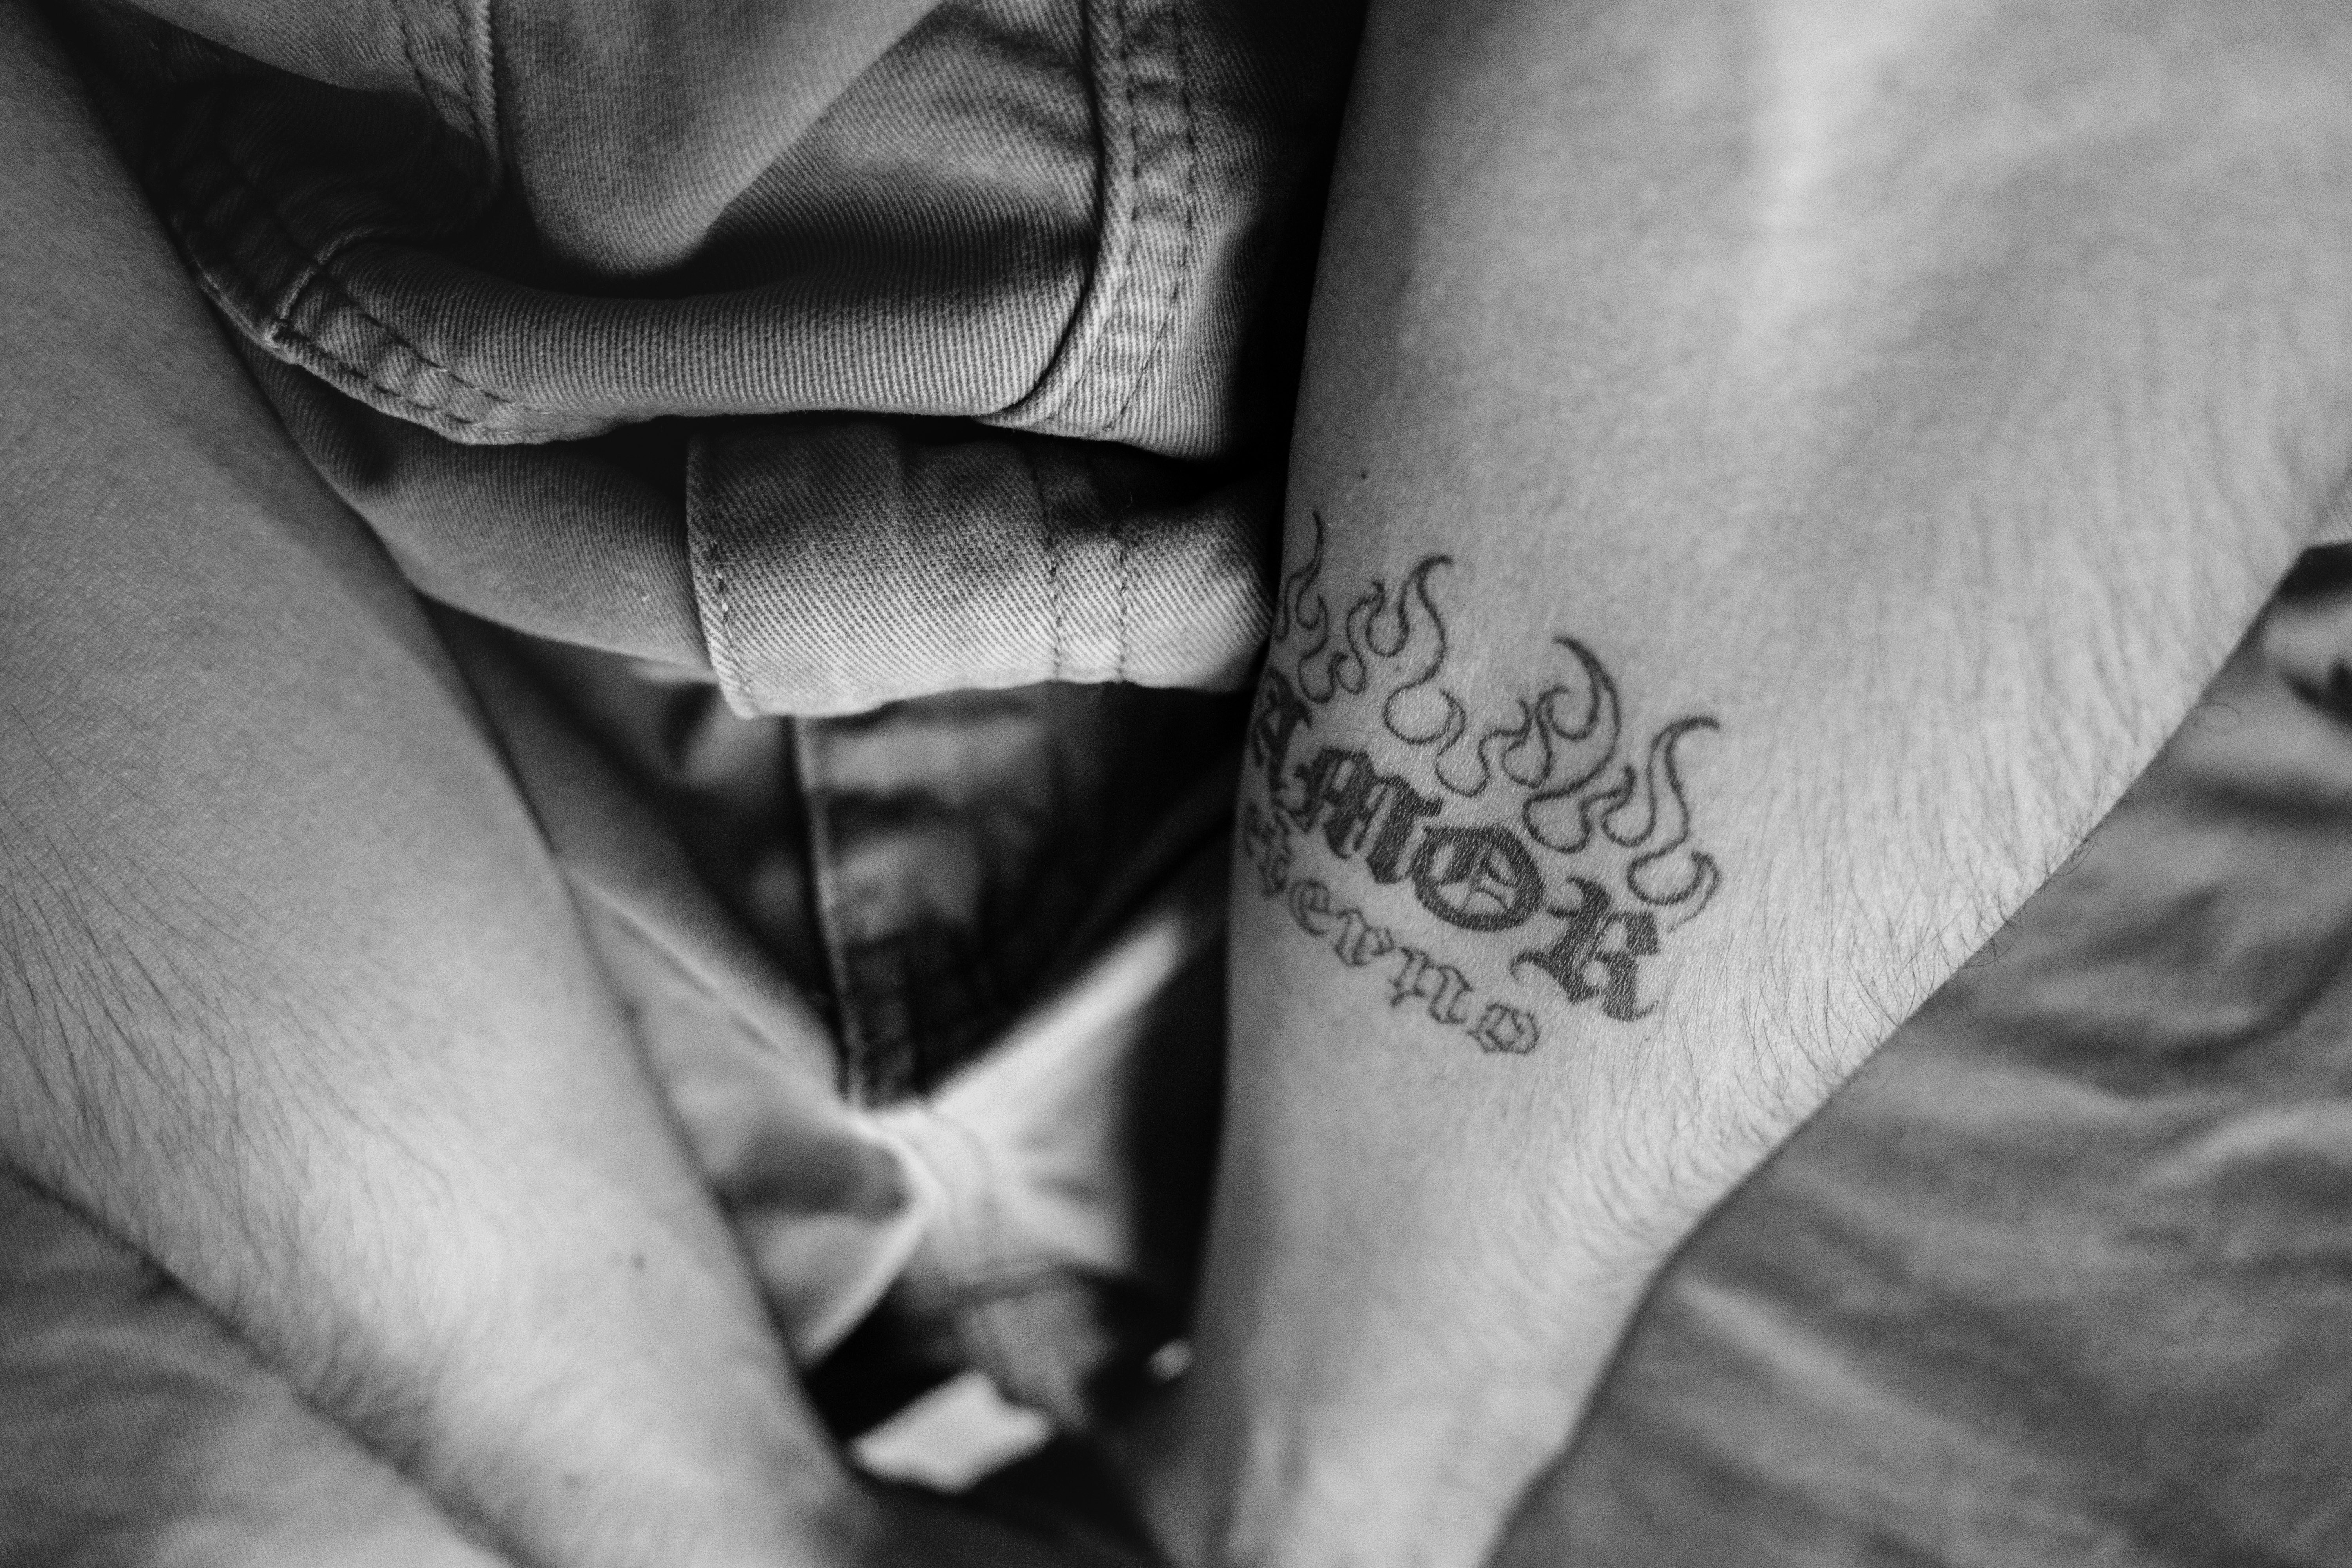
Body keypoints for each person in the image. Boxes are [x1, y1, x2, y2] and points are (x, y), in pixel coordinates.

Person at [4, 2, 2352, 1566]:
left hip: (1750, 588)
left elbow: (1909, 94)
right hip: (292, 617)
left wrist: (1346, 1476)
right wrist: (673, 1500)